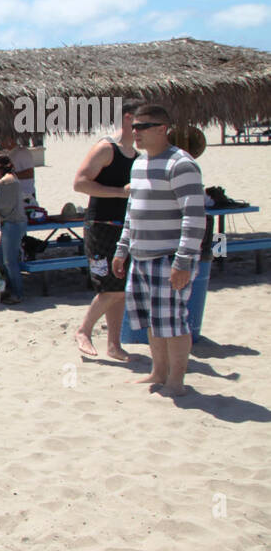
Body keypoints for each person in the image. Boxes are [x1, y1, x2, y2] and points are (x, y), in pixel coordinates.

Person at [112, 104, 205, 397]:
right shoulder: (139, 163)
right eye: (133, 126)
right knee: (154, 321)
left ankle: (177, 379)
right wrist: (122, 248)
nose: (135, 132)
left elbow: (194, 215)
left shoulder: (181, 164)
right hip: (141, 257)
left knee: (173, 322)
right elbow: (132, 210)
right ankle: (158, 371)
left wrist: (183, 260)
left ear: (163, 129)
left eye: (142, 127)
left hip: (168, 258)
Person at [72, 97, 143, 360]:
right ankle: (83, 330)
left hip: (125, 228)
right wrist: (118, 193)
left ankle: (113, 345)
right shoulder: (106, 148)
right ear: (128, 118)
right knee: (109, 287)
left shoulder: (136, 155)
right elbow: (79, 183)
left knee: (121, 288)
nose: (143, 129)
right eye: (141, 121)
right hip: (100, 226)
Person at [0, 154, 26, 304]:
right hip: (15, 222)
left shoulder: (6, 182)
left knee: (9, 261)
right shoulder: (13, 179)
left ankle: (17, 293)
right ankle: (10, 289)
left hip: (12, 223)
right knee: (3, 259)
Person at [1, 135, 37, 206]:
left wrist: (9, 176)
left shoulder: (22, 153)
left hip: (26, 195)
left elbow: (29, 173)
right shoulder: (11, 153)